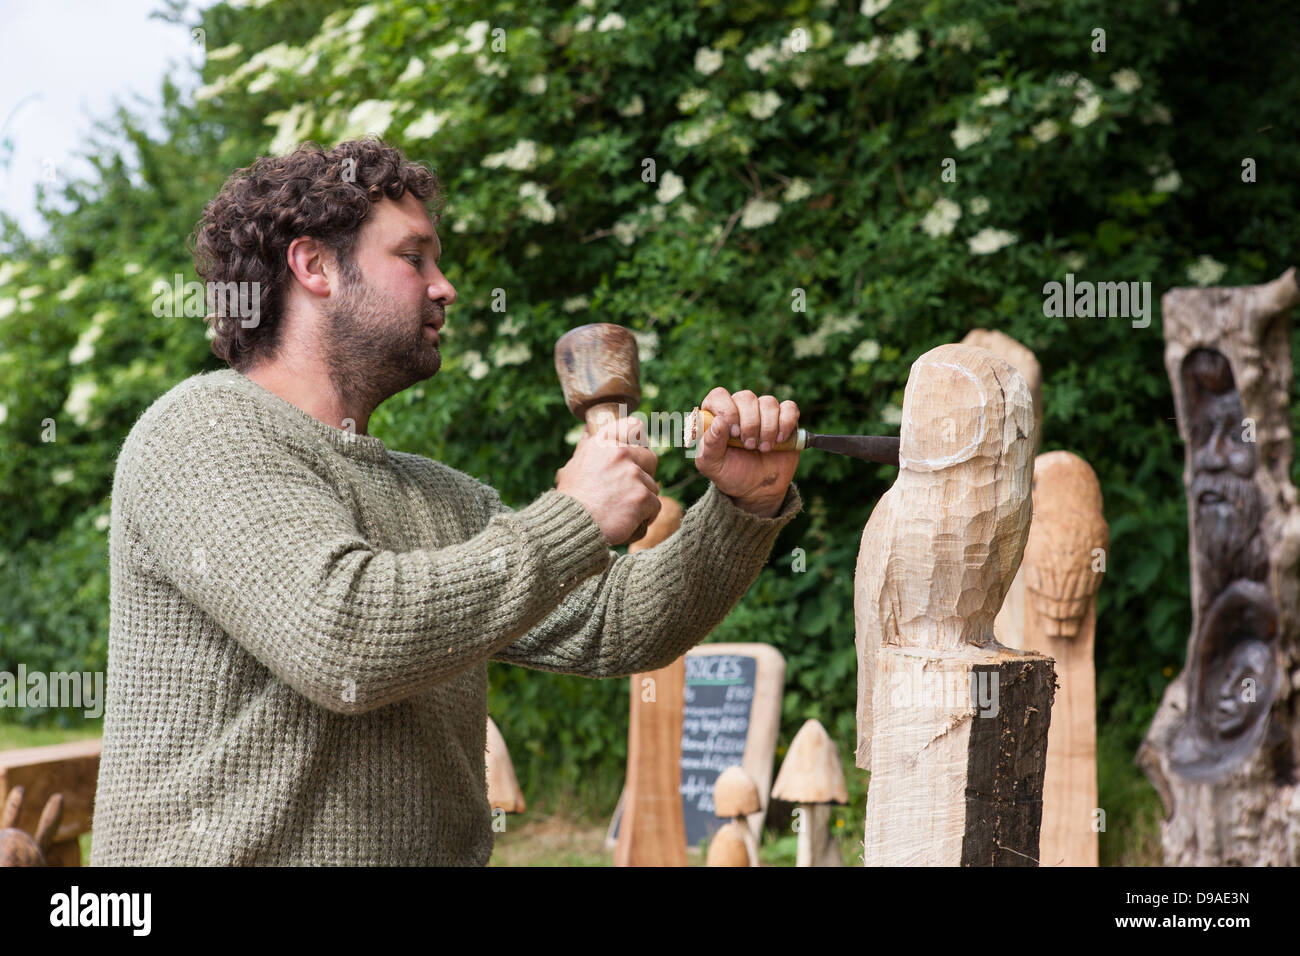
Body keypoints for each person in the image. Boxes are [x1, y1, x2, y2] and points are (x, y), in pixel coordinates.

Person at [90, 139, 804, 865]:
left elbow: (618, 626)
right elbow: (344, 636)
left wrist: (742, 508)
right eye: (413, 258)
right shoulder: (202, 430)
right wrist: (575, 520)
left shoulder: (435, 494)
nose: (445, 286)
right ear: (313, 266)